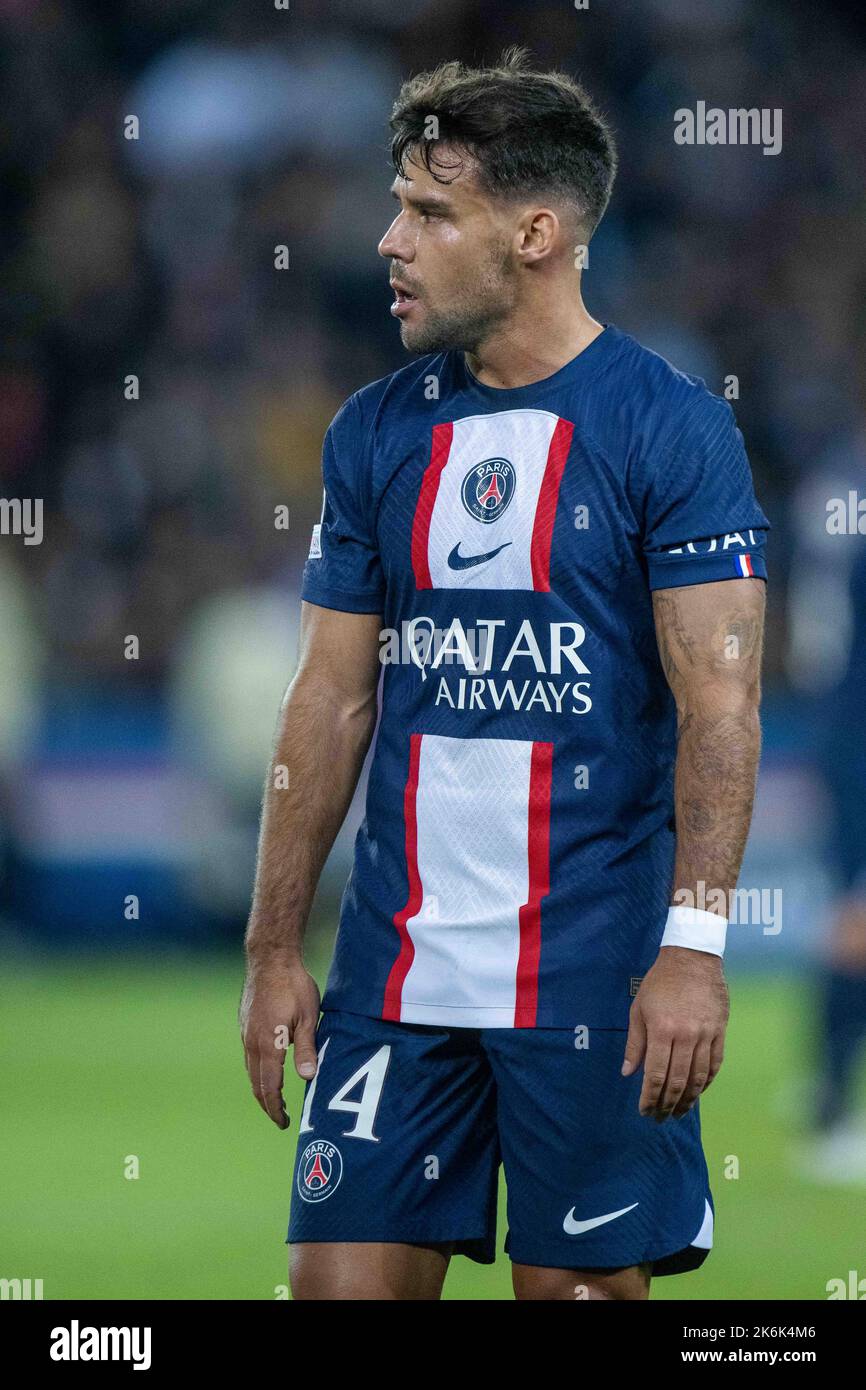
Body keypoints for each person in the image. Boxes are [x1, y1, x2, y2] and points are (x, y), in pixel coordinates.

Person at [240, 48, 768, 1301]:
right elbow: (329, 698)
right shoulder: (375, 429)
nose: (388, 241)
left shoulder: (667, 427)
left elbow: (720, 702)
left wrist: (693, 947)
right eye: (397, 206)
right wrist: (271, 947)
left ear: (535, 232)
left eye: (429, 212)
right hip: (394, 971)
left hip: (591, 974)